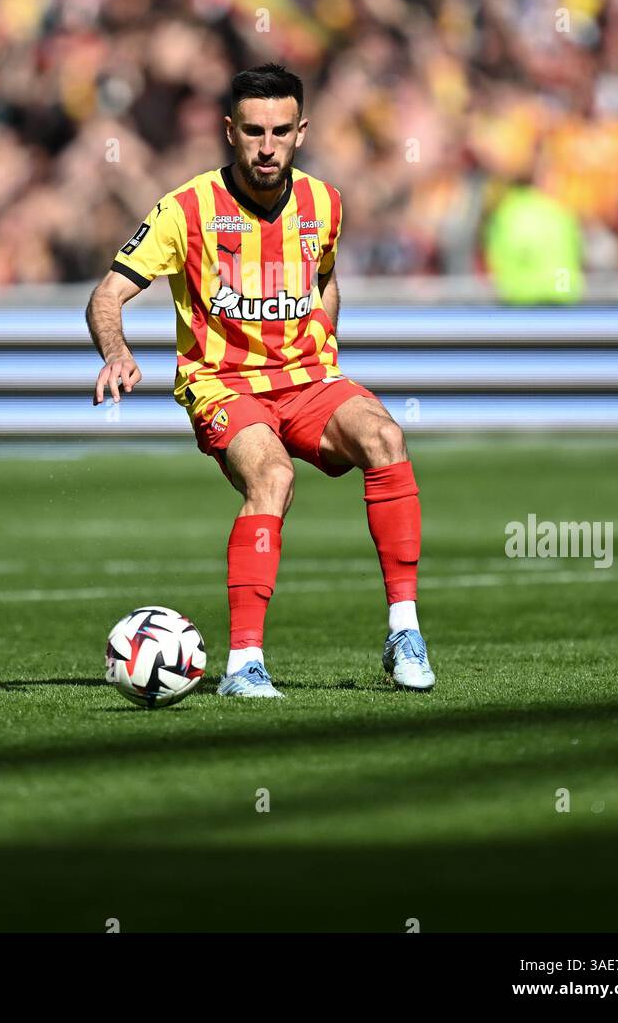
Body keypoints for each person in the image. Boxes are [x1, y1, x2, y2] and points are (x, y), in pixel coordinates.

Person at [86, 63, 434, 697]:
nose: (266, 146)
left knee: (386, 438)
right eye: (252, 132)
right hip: (224, 384)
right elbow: (106, 296)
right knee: (274, 476)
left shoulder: (325, 203)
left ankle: (404, 631)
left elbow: (324, 276)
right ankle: (245, 665)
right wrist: (116, 351)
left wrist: (326, 346)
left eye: (279, 131)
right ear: (229, 131)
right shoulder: (185, 209)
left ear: (301, 130)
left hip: (307, 380)